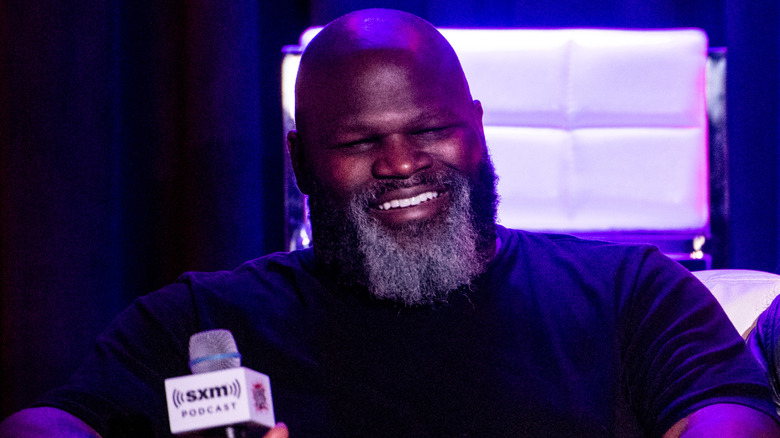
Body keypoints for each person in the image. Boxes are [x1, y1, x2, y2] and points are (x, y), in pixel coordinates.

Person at [2, 8, 779, 437]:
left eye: (431, 129)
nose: (403, 164)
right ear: (302, 161)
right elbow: (44, 425)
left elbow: (733, 417)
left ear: (476, 127)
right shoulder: (208, 320)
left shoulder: (631, 294)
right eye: (359, 142)